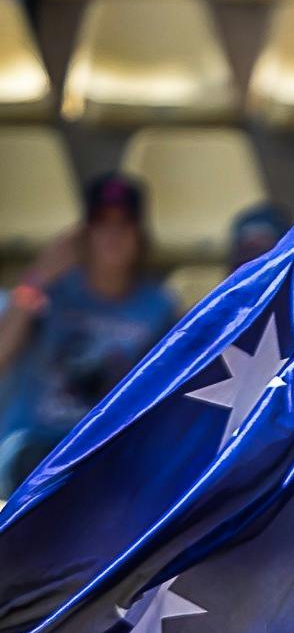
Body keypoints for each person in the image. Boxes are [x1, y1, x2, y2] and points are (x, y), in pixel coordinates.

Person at [0, 173, 178, 495]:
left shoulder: (157, 305)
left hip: (105, 448)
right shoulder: (51, 291)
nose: (113, 235)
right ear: (85, 233)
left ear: (140, 235)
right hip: (35, 445)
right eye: (102, 224)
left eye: (124, 224)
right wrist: (36, 278)